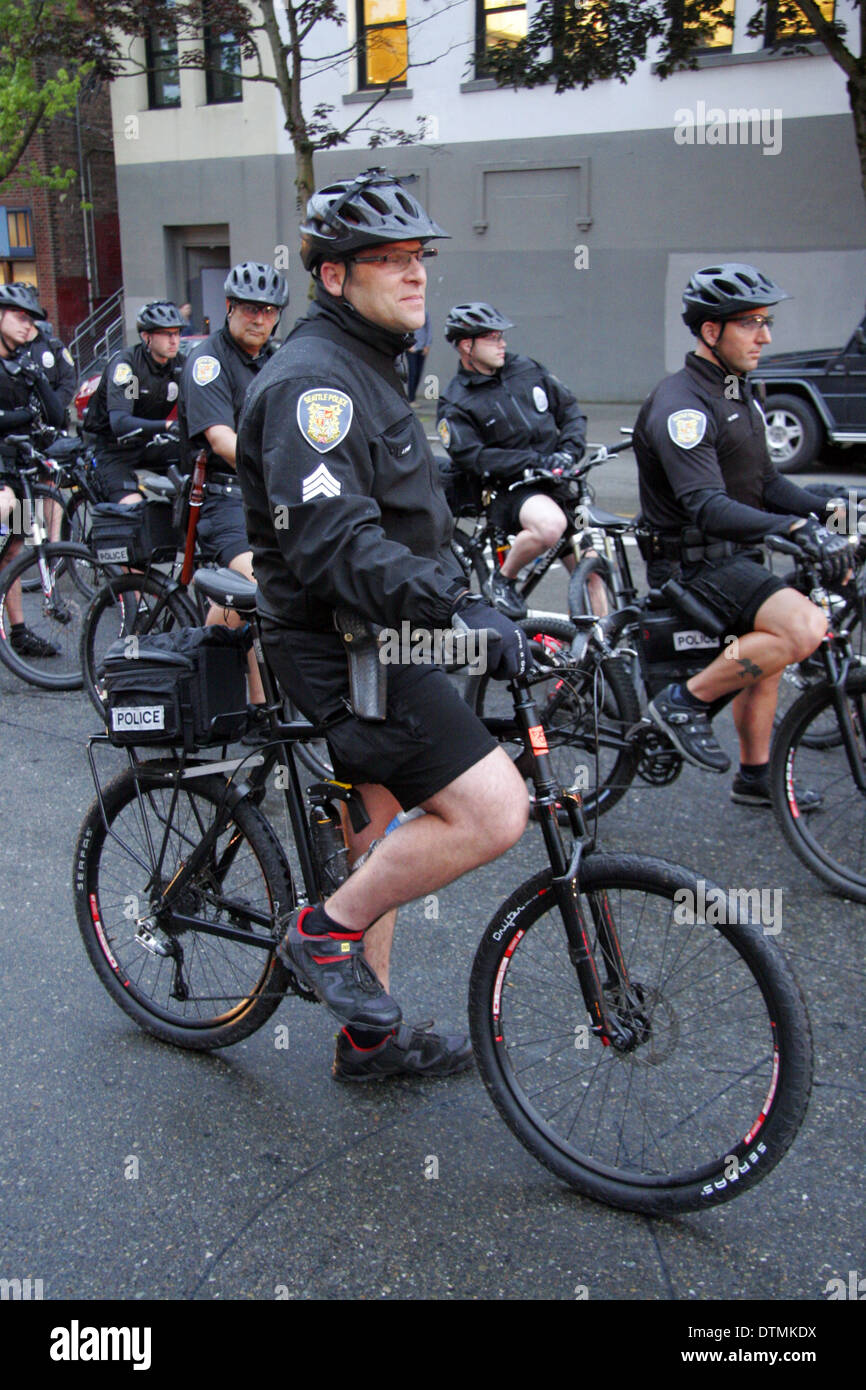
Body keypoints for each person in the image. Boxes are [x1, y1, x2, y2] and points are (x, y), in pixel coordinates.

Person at [235, 168, 530, 1081]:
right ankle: (320, 935)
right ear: (332, 276)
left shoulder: (369, 363)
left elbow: (402, 516)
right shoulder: (312, 385)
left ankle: (368, 1042)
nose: (416, 276)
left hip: (381, 626)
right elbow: (332, 545)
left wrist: (481, 597)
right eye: (389, 261)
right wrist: (450, 609)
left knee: (385, 831)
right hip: (340, 641)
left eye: (419, 259)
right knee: (491, 810)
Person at [635, 262, 850, 807]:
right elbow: (705, 506)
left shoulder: (738, 391)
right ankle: (683, 702)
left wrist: (835, 513)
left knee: (772, 646)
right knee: (801, 628)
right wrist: (796, 529)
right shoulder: (682, 404)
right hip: (691, 563)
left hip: (733, 557)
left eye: (767, 321)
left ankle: (756, 776)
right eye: (751, 323)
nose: (766, 336)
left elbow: (768, 483)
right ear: (712, 332)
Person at [178, 261, 288, 713]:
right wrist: (279, 465)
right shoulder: (209, 361)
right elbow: (222, 439)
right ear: (228, 308)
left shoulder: (276, 359)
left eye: (267, 310)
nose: (258, 319)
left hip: (268, 497)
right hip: (223, 501)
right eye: (248, 309)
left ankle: (219, 670)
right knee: (257, 584)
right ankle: (258, 703)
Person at [436, 303, 588, 619]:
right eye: (492, 338)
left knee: (591, 573)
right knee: (550, 527)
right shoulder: (456, 401)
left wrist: (569, 452)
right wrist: (533, 461)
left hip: (556, 480)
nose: (502, 344)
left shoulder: (527, 370)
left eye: (501, 336)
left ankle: (605, 655)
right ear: (467, 345)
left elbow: (570, 410)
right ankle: (502, 580)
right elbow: (473, 457)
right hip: (509, 490)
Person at [0, 282, 69, 656]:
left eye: (32, 322)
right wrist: (25, 415)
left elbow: (57, 416)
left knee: (13, 552)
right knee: (4, 509)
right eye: (21, 318)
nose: (28, 327)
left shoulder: (23, 363)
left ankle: (19, 631)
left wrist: (38, 378)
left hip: (16, 468)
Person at [85, 300, 185, 505]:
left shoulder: (179, 365)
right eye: (166, 334)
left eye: (176, 333)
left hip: (148, 444)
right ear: (146, 337)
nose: (174, 340)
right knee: (134, 508)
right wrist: (167, 426)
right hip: (113, 448)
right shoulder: (129, 368)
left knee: (198, 470)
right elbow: (121, 422)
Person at [405, 309, 431, 403]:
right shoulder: (406, 313)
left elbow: (428, 329)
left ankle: (413, 397)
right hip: (411, 348)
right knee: (413, 372)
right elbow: (404, 329)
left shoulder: (425, 313)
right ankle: (411, 399)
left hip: (422, 347)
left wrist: (427, 345)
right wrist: (408, 344)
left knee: (418, 373)